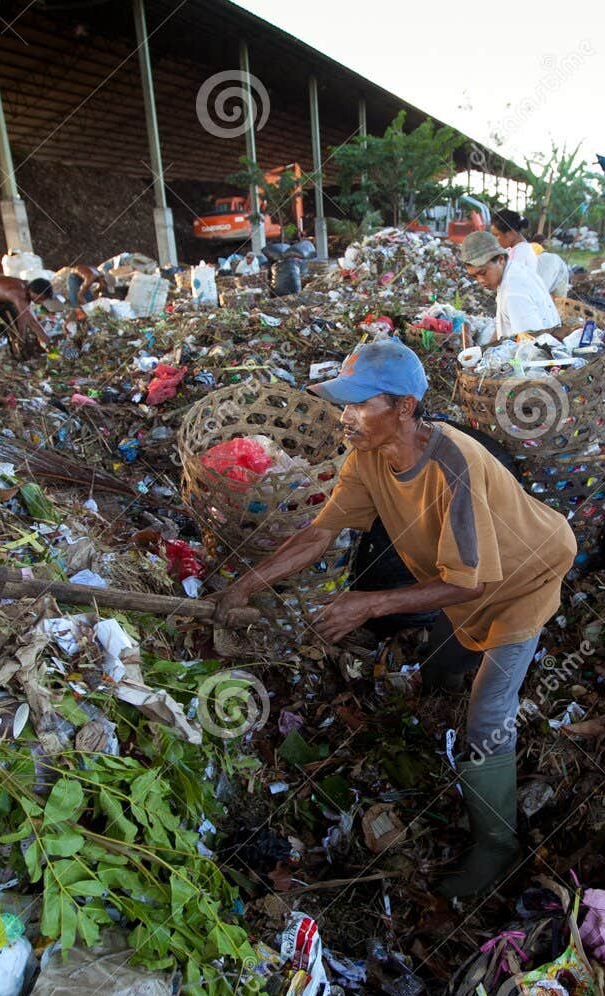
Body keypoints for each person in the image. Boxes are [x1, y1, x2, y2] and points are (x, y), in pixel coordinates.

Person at [215, 340, 576, 896]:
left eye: (360, 404)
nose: (346, 418)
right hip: (468, 582)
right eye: (344, 404)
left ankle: (497, 845)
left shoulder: (450, 465)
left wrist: (369, 603)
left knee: (487, 712)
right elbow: (318, 534)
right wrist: (242, 586)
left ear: (404, 407)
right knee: (440, 664)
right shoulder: (367, 458)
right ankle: (441, 688)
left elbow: (469, 582)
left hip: (524, 576)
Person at [461, 231, 561, 338]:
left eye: (483, 273)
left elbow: (528, 343)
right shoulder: (513, 270)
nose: (480, 280)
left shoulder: (513, 291)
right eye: (474, 276)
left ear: (500, 259)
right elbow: (505, 325)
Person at [490, 209, 571, 297]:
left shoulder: (521, 253)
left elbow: (515, 286)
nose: (495, 240)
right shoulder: (515, 250)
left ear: (510, 233)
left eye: (496, 235)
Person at [0, 275, 55, 357]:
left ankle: (17, 351)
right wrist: (50, 343)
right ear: (33, 293)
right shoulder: (19, 294)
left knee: (14, 327)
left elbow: (21, 317)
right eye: (40, 299)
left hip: (1, 298)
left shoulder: (28, 291)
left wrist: (20, 336)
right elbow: (32, 322)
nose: (41, 302)